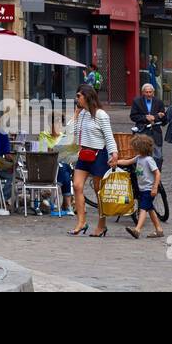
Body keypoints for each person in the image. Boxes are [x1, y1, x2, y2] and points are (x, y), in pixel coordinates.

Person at [68, 83, 118, 237]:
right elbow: (72, 133)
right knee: (77, 186)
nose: (77, 99)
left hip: (98, 155)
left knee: (99, 191)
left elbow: (109, 136)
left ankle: (101, 224)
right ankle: (81, 222)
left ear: (87, 96)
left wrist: (114, 154)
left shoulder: (101, 115)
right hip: (84, 154)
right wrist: (75, 115)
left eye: (79, 96)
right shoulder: (82, 114)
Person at [119, 134, 164, 239]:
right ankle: (159, 229)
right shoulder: (139, 158)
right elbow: (127, 161)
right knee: (150, 209)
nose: (134, 149)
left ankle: (137, 229)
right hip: (143, 188)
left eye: (135, 148)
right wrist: (116, 162)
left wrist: (155, 187)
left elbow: (157, 173)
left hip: (149, 189)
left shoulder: (149, 160)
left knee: (143, 208)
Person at [129, 83, 167, 158]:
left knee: (158, 156)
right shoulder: (137, 101)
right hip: (142, 132)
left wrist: (157, 117)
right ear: (143, 92)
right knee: (142, 155)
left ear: (153, 92)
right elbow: (133, 116)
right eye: (147, 92)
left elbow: (164, 120)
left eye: (150, 92)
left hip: (156, 133)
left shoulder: (159, 102)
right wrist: (145, 118)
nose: (149, 94)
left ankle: (157, 169)